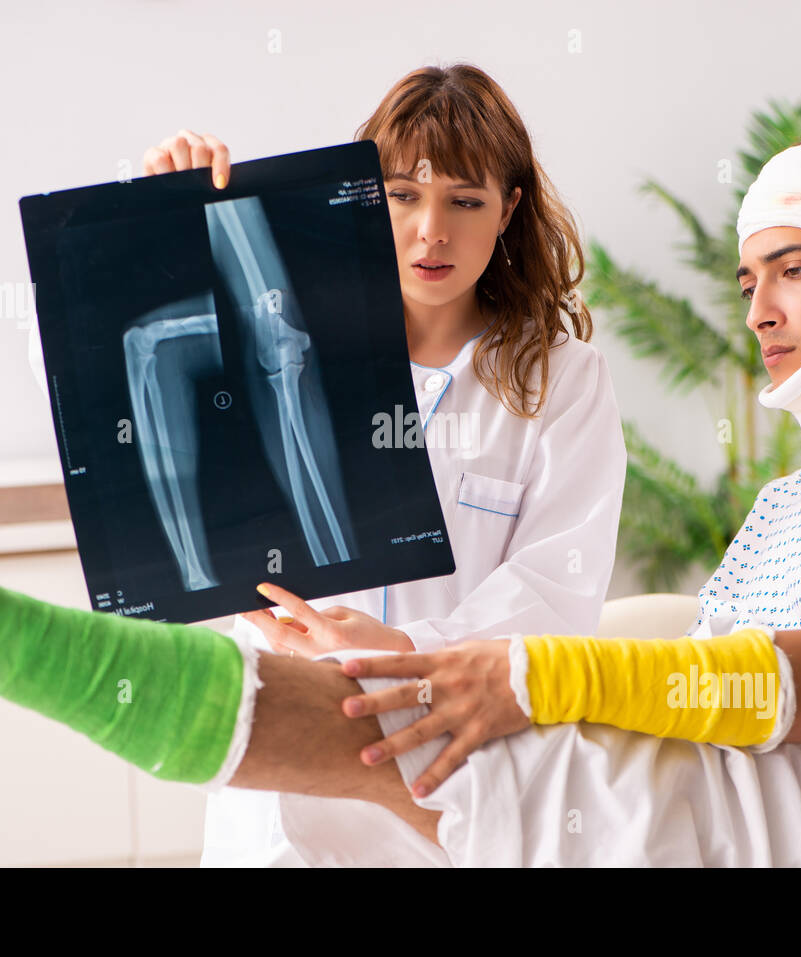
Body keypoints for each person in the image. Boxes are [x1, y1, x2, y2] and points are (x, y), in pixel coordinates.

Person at [0, 130, 801, 867]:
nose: (757, 313)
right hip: (784, 781)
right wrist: (429, 656)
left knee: (417, 742)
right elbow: (705, 646)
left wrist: (530, 677)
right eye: (750, 280)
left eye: (791, 271)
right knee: (401, 716)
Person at [137, 63, 627, 862]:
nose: (432, 230)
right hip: (278, 766)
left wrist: (404, 652)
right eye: (404, 194)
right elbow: (87, 388)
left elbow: (559, 587)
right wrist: (155, 221)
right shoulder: (280, 337)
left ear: (508, 209)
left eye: (465, 200)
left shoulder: (561, 378)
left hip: (452, 779)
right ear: (365, 197)